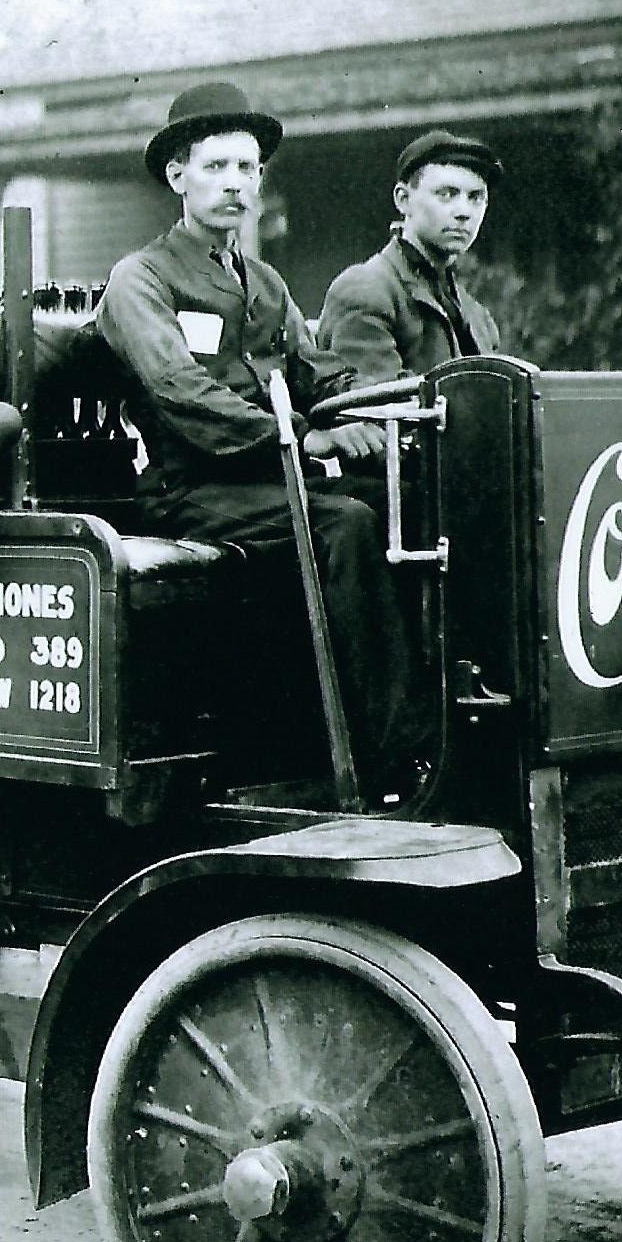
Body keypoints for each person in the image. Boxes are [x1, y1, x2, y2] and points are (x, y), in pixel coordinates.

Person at [97, 82, 420, 802]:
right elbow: (180, 391)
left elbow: (317, 370)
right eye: (216, 167)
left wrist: (375, 409)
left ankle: (441, 725)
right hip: (193, 491)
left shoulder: (266, 284)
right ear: (177, 177)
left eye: (249, 169)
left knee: (407, 502)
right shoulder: (141, 279)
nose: (236, 184)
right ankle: (395, 758)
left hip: (271, 482)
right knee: (347, 521)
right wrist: (303, 437)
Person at [317, 129, 503, 383]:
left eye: (475, 197)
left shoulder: (476, 316)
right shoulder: (365, 291)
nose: (464, 212)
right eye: (446, 194)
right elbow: (374, 406)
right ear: (403, 200)